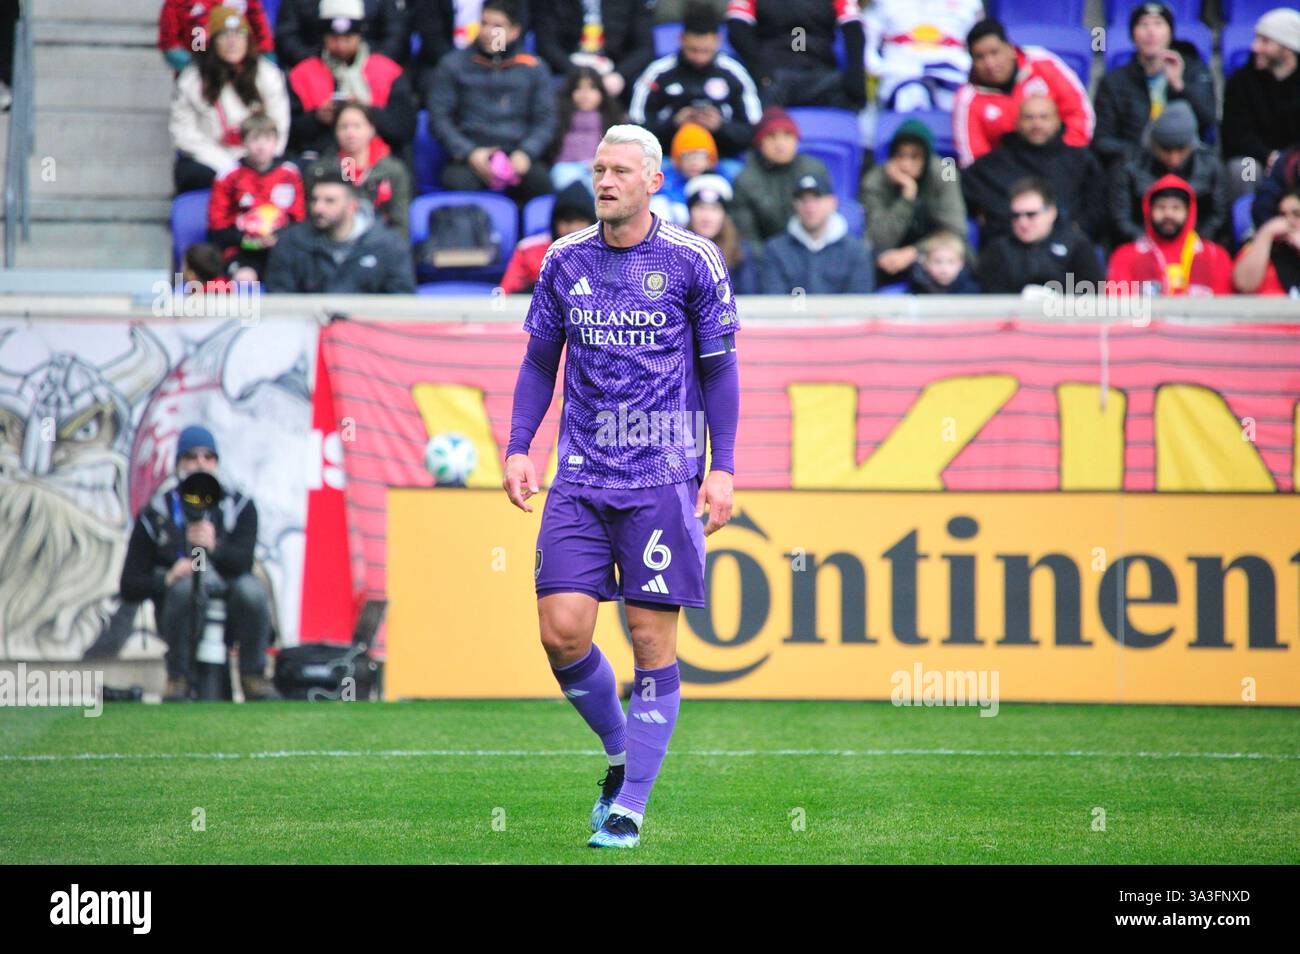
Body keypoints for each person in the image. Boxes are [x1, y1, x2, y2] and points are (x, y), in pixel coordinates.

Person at [502, 124, 740, 850]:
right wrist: (519, 446)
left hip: (662, 479)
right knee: (561, 632)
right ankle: (617, 757)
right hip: (578, 476)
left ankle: (632, 804)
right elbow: (541, 362)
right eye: (599, 169)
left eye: (620, 171)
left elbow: (720, 372)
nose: (605, 181)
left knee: (648, 641)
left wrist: (722, 465)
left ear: (653, 182)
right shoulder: (563, 262)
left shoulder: (694, 260)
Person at [118, 425, 276, 701]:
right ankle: (178, 678)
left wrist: (214, 547)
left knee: (252, 589)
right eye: (191, 457)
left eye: (208, 457)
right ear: (178, 464)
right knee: (184, 587)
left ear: (217, 463)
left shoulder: (239, 507)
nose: (200, 464)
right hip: (180, 614)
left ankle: (253, 676)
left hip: (231, 607)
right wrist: (166, 579)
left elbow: (242, 562)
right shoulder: (157, 514)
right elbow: (129, 584)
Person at [427, 0, 558, 204]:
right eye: (484, 23)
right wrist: (469, 152)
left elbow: (546, 120)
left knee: (541, 185)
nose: (488, 31)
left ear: (514, 31)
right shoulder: (453, 65)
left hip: (518, 153)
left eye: (497, 26)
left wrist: (526, 152)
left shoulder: (534, 67)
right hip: (472, 155)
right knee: (455, 181)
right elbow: (438, 119)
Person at [169, 5, 290, 193]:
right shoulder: (192, 78)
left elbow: (279, 125)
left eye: (239, 34)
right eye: (225, 35)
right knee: (189, 173)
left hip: (258, 154)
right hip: (213, 158)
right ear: (213, 41)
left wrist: (259, 159)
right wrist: (227, 166)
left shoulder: (268, 74)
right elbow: (183, 133)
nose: (232, 42)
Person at [962, 96, 1104, 246]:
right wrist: (947, 160)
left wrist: (1078, 230)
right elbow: (954, 182)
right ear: (1017, 123)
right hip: (1007, 252)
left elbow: (1099, 205)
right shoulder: (993, 162)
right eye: (1029, 118)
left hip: (1068, 255)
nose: (1037, 124)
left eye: (1044, 117)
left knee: (1074, 269)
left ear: (1057, 122)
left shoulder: (1081, 160)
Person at [629, 1, 762, 161]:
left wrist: (720, 126)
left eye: (706, 50)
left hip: (722, 160)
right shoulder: (658, 72)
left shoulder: (734, 73)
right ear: (681, 39)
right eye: (693, 50)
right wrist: (673, 123)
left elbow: (754, 129)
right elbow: (636, 128)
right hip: (667, 160)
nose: (699, 57)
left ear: (718, 41)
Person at [952, 17, 1093, 168]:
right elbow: (975, 161)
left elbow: (1079, 114)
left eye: (994, 52)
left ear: (1011, 49)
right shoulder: (967, 100)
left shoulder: (1043, 63)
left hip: (1063, 163)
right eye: (980, 57)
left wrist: (1066, 158)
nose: (990, 64)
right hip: (1008, 179)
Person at [1091, 2, 1216, 169]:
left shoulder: (1194, 70)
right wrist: (1143, 153)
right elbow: (1101, 141)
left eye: (1158, 23)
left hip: (1186, 162)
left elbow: (1209, 120)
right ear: (1132, 34)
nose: (1151, 32)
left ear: (1171, 32)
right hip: (1134, 165)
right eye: (1143, 24)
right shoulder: (1114, 81)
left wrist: (1179, 86)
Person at [286, 0, 418, 158]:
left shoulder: (388, 72)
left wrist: (366, 112)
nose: (341, 45)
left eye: (348, 37)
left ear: (360, 35)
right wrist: (317, 118)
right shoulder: (302, 75)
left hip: (379, 164)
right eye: (334, 38)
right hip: (323, 162)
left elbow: (405, 129)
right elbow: (287, 131)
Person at [264, 165, 416, 293]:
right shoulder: (291, 243)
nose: (318, 208)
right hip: (307, 326)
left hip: (366, 327)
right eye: (315, 200)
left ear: (353, 206)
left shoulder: (389, 246)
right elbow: (280, 299)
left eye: (330, 201)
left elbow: (401, 301)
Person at [1108, 100, 1229, 246]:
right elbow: (1121, 218)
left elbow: (1218, 214)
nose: (1173, 158)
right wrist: (1148, 243)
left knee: (1247, 165)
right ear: (1154, 144)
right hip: (1141, 246)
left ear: (1192, 145)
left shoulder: (1211, 166)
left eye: (1180, 150)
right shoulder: (1129, 165)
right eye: (1166, 150)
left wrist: (1193, 243)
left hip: (1196, 247)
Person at [863, 118, 968, 282]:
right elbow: (879, 239)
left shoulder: (946, 172)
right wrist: (907, 197)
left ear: (926, 158)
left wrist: (914, 252)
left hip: (936, 251)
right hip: (888, 255)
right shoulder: (875, 179)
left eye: (914, 157)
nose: (905, 164)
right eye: (900, 155)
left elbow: (955, 230)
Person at [208, 113, 307, 280]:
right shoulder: (229, 175)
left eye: (267, 139)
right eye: (254, 139)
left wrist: (278, 238)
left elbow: (299, 220)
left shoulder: (290, 174)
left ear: (276, 142)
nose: (261, 146)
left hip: (281, 246)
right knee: (245, 278)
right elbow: (217, 228)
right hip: (242, 249)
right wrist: (250, 241)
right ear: (243, 142)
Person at [725, 0, 866, 110]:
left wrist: (856, 73)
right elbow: (737, 29)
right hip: (773, 75)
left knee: (850, 93)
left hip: (820, 73)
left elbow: (853, 29)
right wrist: (759, 68)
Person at [1106, 176, 1233, 296]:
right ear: (1148, 211)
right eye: (1161, 207)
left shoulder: (1214, 256)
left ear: (1190, 213)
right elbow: (1118, 309)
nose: (1168, 214)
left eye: (1176, 208)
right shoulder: (1125, 256)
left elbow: (1225, 308)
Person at [303, 102, 413, 239]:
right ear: (335, 132)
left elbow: (400, 221)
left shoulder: (393, 170)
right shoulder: (320, 171)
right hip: (331, 241)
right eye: (343, 127)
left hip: (380, 242)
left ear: (371, 129)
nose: (350, 133)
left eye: (357, 126)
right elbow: (311, 220)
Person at [976, 177, 1103, 294]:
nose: (1023, 222)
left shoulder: (1077, 247)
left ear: (1052, 213)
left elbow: (1093, 293)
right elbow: (990, 297)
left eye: (1031, 214)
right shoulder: (998, 250)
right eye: (1016, 216)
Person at [760, 169, 875, 294]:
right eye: (803, 200)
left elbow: (859, 302)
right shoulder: (776, 249)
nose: (810, 207)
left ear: (833, 203)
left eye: (817, 199)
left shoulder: (855, 250)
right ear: (795, 205)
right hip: (792, 313)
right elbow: (774, 302)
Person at [1221, 8, 1300, 185]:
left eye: (1264, 41)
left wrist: (1287, 158)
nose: (1254, 47)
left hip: (1295, 160)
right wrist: (1268, 156)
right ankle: (1245, 212)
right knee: (1243, 169)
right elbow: (1235, 135)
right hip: (1255, 159)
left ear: (1287, 48)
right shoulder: (1241, 80)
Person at [732, 106, 832, 245]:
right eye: (771, 137)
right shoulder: (745, 180)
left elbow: (827, 220)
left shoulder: (814, 169)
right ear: (760, 142)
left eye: (787, 135)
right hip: (767, 258)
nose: (780, 144)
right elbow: (748, 238)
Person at [863, 0, 984, 112]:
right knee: (911, 96)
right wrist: (879, 69)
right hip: (899, 70)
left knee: (957, 103)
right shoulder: (883, 2)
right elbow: (866, 43)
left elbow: (982, 43)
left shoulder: (971, 3)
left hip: (952, 71)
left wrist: (969, 69)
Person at [533, 0, 655, 104]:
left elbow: (645, 49)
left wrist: (619, 75)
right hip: (567, 68)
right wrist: (577, 73)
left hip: (615, 69)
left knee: (640, 86)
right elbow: (546, 45)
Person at [499, 182, 597, 293]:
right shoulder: (527, 250)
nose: (573, 228)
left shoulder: (605, 255)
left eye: (580, 221)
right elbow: (506, 298)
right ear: (554, 223)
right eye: (567, 221)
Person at [546, 66, 628, 194]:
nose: (585, 94)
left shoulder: (613, 118)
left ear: (601, 92)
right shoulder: (559, 116)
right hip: (565, 167)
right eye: (579, 88)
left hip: (601, 170)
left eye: (592, 88)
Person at [275, 0, 410, 69]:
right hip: (313, 67)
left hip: (371, 68)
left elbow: (396, 34)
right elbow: (286, 36)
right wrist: (315, 63)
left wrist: (372, 63)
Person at [685, 173, 760, 295]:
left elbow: (749, 296)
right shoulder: (673, 248)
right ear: (690, 212)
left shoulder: (740, 251)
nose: (707, 217)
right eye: (700, 208)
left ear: (724, 215)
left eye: (714, 209)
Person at [158, 0, 274, 72]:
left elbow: (263, 39)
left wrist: (261, 69)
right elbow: (170, 43)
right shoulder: (178, 3)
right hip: (197, 76)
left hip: (240, 77)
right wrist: (193, 69)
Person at [1233, 186, 1300, 296]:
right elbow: (1243, 285)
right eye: (1282, 215)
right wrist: (1266, 233)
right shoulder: (1260, 247)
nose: (1289, 221)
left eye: (1296, 214)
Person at [652, 123, 722, 225]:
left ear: (709, 160)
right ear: (678, 161)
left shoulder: (720, 180)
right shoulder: (667, 181)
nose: (693, 162)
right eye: (687, 156)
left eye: (699, 155)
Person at [906, 230, 980, 294]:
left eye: (951, 262)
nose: (944, 269)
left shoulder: (971, 291)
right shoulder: (917, 289)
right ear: (925, 263)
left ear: (961, 264)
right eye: (938, 262)